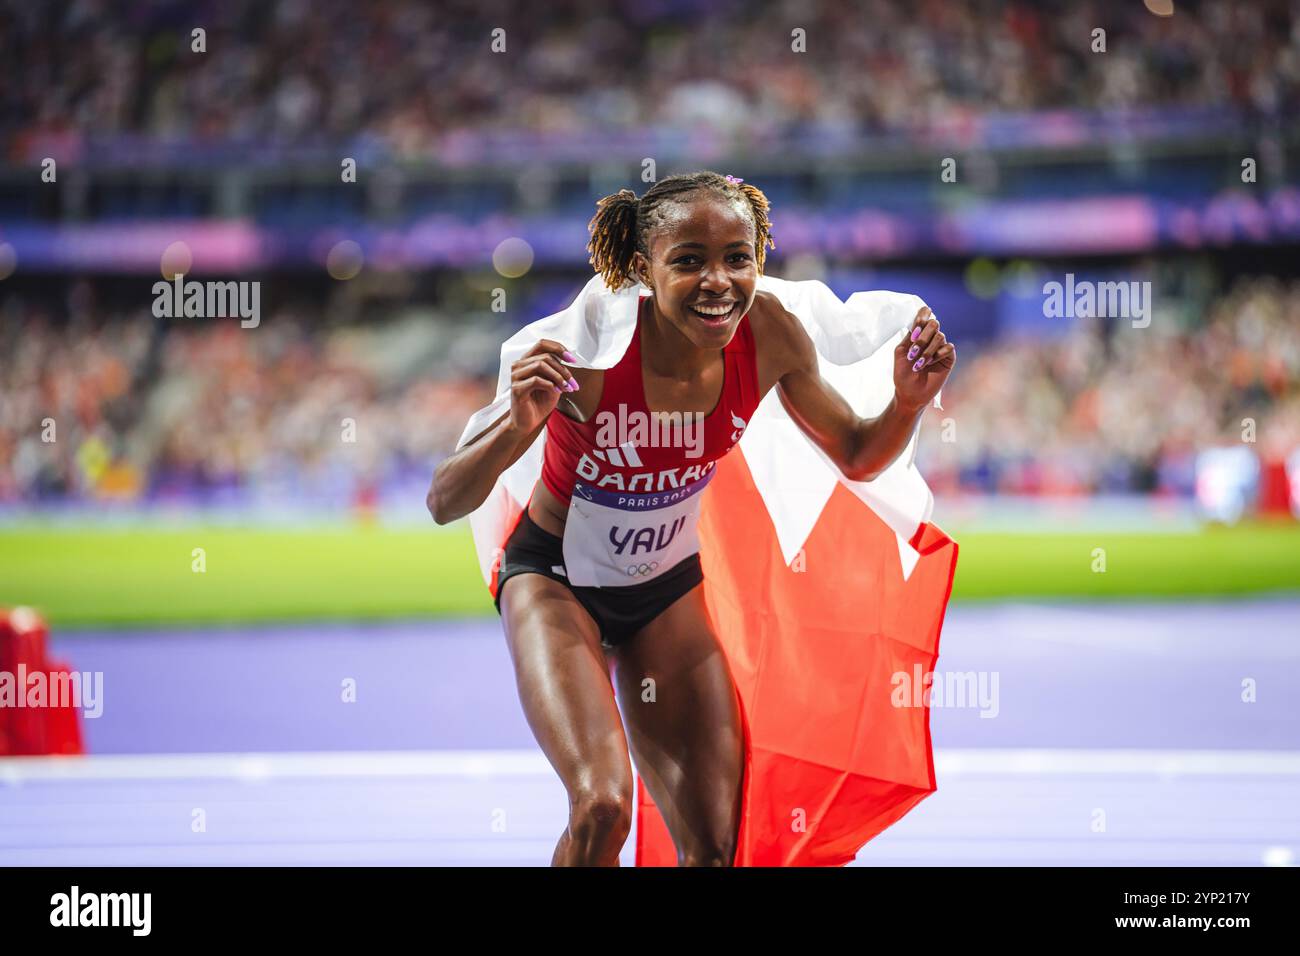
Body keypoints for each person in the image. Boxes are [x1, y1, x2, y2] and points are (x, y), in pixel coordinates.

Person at [427, 171, 955, 866]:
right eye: (689, 260)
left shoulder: (768, 336)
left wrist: (908, 404)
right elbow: (445, 500)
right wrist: (512, 429)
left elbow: (857, 455)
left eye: (738, 258)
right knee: (601, 809)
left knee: (714, 846)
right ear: (643, 270)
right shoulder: (588, 358)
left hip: (665, 592)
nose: (718, 281)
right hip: (556, 583)